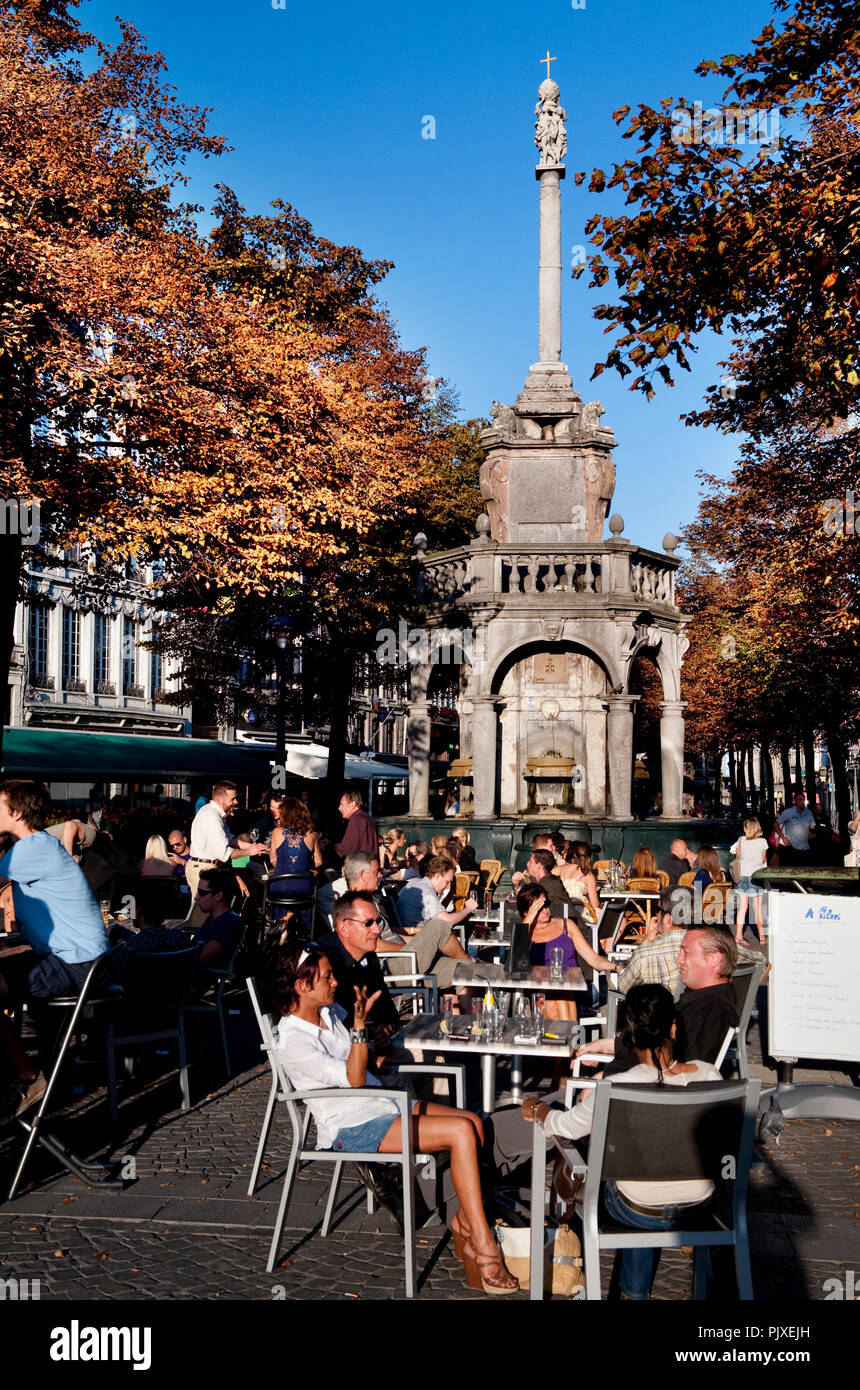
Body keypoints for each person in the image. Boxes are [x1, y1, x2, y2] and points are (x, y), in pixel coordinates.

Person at [275, 942, 517, 1293]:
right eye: (327, 977)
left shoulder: (327, 1014)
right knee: (462, 1133)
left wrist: (373, 1047)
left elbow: (356, 1063)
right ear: (301, 985)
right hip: (353, 1125)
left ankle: (464, 1222)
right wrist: (359, 1028)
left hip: (382, 1103)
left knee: (474, 1123)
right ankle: (482, 1243)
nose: (334, 982)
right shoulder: (294, 1040)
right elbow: (352, 1078)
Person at [521, 984, 722, 1300]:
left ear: (629, 1035)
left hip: (635, 1207)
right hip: (700, 1202)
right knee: (646, 1178)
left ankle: (631, 1293)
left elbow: (564, 1127)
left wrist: (537, 1108)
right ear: (673, 1027)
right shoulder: (710, 1077)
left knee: (634, 1185)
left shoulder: (616, 1087)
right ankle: (633, 1292)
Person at [0, 780, 110, 1067]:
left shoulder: (32, 848)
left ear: (17, 813)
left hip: (78, 964)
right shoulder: (38, 846)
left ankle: (23, 1073)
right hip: (81, 959)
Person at [339, 853, 471, 994]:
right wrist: (407, 948)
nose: (380, 876)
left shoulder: (370, 901)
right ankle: (471, 961)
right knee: (440, 925)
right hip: (390, 967)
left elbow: (390, 932)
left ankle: (466, 1012)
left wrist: (417, 938)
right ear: (362, 875)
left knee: (464, 970)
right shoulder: (353, 907)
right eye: (376, 872)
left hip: (403, 959)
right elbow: (372, 945)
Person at [517, 883, 614, 1021]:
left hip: (569, 993)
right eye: (538, 908)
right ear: (527, 913)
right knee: (548, 994)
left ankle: (559, 1037)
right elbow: (515, 956)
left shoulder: (566, 926)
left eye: (546, 904)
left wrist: (615, 966)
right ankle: (566, 1037)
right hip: (538, 993)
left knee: (557, 993)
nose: (545, 910)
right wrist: (530, 917)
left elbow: (593, 959)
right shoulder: (525, 934)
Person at [187, 780, 267, 897]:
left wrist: (251, 846)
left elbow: (229, 839)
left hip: (206, 867)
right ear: (219, 800)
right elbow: (224, 853)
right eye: (232, 799)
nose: (236, 802)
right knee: (204, 911)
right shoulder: (212, 817)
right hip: (202, 868)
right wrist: (249, 851)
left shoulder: (215, 813)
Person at [394, 855, 477, 934]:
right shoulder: (427, 892)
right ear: (437, 876)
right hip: (417, 938)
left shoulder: (414, 882)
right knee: (470, 947)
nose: (448, 886)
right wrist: (467, 909)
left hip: (406, 932)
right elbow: (447, 921)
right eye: (447, 882)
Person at [268, 797, 322, 913]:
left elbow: (272, 859)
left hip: (280, 885)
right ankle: (304, 927)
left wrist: (285, 867)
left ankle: (282, 924)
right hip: (304, 885)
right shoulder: (311, 834)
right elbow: (319, 862)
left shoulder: (276, 832)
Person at [731, 818, 768, 944]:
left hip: (741, 876)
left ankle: (738, 936)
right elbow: (763, 860)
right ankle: (762, 937)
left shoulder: (741, 840)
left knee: (742, 908)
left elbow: (737, 857)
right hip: (755, 876)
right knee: (757, 908)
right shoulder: (763, 842)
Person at [558, 841, 600, 919]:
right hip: (580, 916)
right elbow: (595, 905)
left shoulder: (560, 869)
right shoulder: (588, 875)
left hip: (561, 912)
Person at [333, 790, 378, 862]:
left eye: (342, 804)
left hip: (360, 866)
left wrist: (328, 847)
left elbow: (347, 848)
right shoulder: (367, 817)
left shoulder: (356, 819)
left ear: (352, 804)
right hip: (370, 864)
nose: (339, 808)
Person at [776, 791, 816, 864]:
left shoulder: (809, 813)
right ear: (794, 800)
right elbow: (775, 825)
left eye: (803, 799)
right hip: (792, 848)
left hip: (806, 848)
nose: (802, 802)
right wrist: (784, 838)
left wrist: (811, 833)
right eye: (799, 799)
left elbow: (812, 828)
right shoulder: (788, 812)